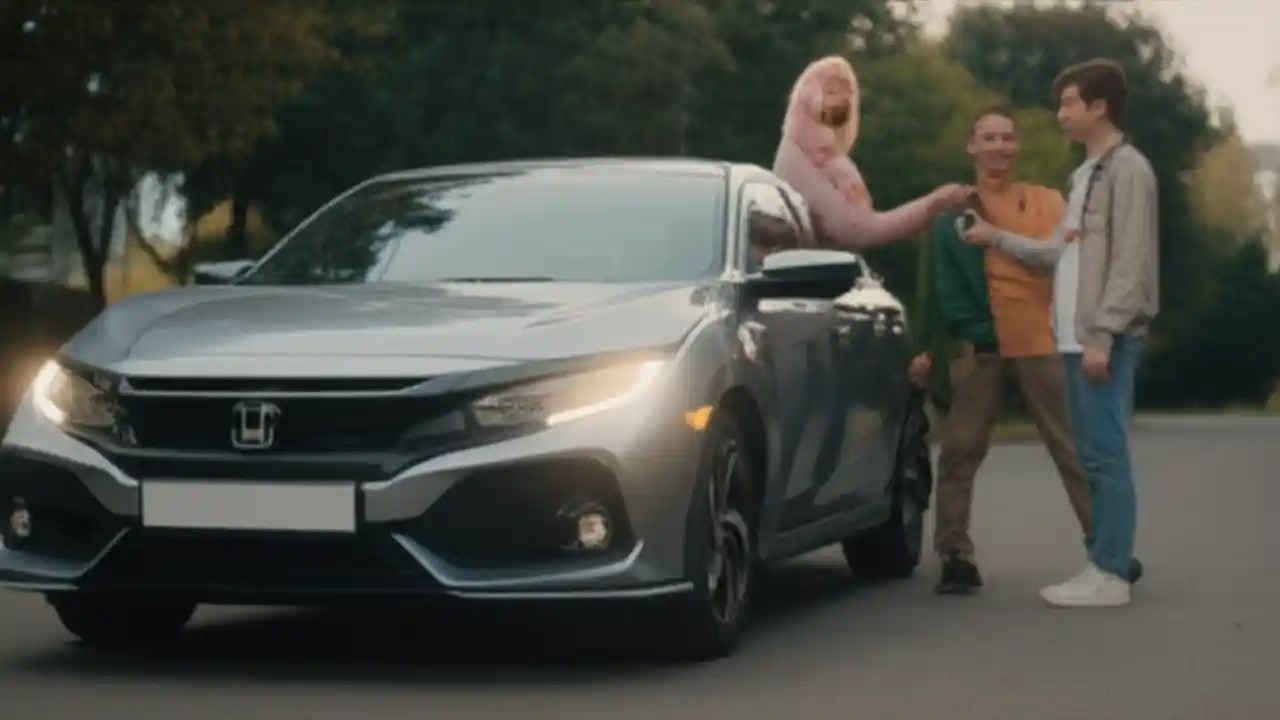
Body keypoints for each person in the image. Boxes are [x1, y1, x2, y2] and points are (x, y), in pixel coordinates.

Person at [964, 59, 1159, 608]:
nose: (1060, 114)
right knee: (1092, 454)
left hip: (1100, 336)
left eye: (1069, 103)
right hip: (1074, 334)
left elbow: (1131, 263)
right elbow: (1056, 253)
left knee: (1105, 455)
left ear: (1099, 107)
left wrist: (1103, 335)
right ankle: (1101, 565)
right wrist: (995, 237)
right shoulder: (1084, 175)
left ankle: (1111, 574)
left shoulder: (1129, 171)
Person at [916, 105, 1114, 596]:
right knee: (960, 451)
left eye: (1007, 137)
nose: (999, 146)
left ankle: (1107, 547)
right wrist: (923, 348)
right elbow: (934, 287)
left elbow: (1061, 259)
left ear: (1017, 146)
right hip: (978, 344)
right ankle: (955, 554)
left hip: (1038, 337)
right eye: (989, 137)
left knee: (1070, 446)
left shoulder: (1045, 201)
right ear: (972, 146)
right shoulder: (951, 215)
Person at [772, 55, 971, 250]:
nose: (843, 99)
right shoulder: (800, 159)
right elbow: (859, 232)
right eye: (832, 91)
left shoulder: (819, 156)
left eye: (847, 91)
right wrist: (936, 202)